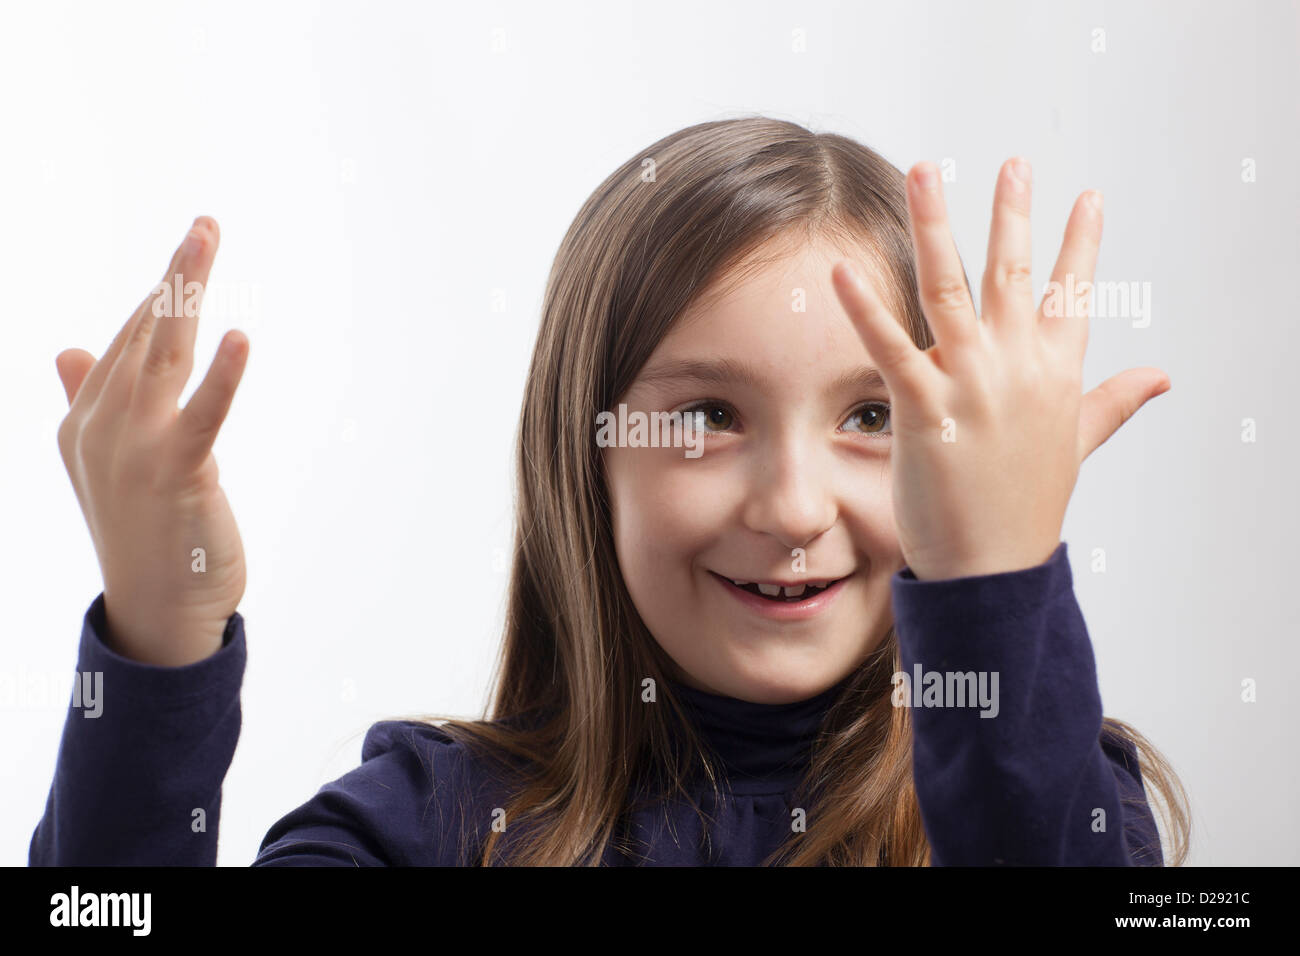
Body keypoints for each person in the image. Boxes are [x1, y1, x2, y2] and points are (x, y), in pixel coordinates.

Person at [30, 116, 1190, 866]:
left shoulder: (1052, 792)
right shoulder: (417, 826)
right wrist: (157, 643)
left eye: (872, 417)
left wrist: (996, 581)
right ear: (584, 458)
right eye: (705, 417)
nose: (793, 507)